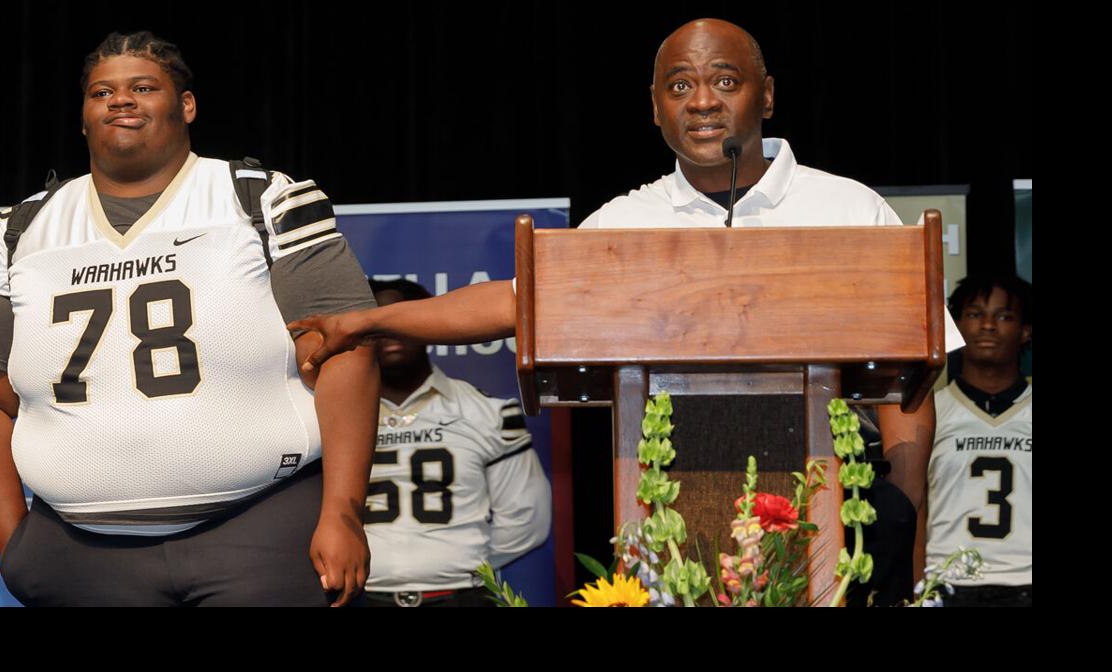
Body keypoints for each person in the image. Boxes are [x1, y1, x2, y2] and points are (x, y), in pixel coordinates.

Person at [290, 18, 951, 602]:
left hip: (838, 510)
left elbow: (911, 371)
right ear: (656, 107)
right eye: (679, 85)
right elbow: (512, 305)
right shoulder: (627, 221)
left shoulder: (848, 209)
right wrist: (366, 321)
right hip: (672, 511)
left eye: (724, 80)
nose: (702, 101)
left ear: (767, 95)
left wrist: (909, 508)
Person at [0, 31, 379, 606]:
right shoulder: (17, 231)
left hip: (259, 530)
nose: (120, 101)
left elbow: (346, 347)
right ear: (83, 117)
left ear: (187, 105)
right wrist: (15, 542)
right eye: (102, 92)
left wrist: (343, 511)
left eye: (142, 87)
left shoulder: (263, 200)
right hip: (81, 552)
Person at [362, 280, 551, 607]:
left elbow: (527, 517)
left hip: (461, 597)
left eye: (401, 319)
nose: (391, 333)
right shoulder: (333, 418)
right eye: (380, 324)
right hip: (360, 597)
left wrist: (461, 564)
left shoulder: (488, 411)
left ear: (430, 327)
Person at [926, 275, 1032, 607]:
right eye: (974, 314)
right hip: (947, 582)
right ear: (957, 327)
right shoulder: (930, 411)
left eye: (1003, 316)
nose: (988, 325)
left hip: (1026, 581)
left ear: (1025, 330)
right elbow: (911, 507)